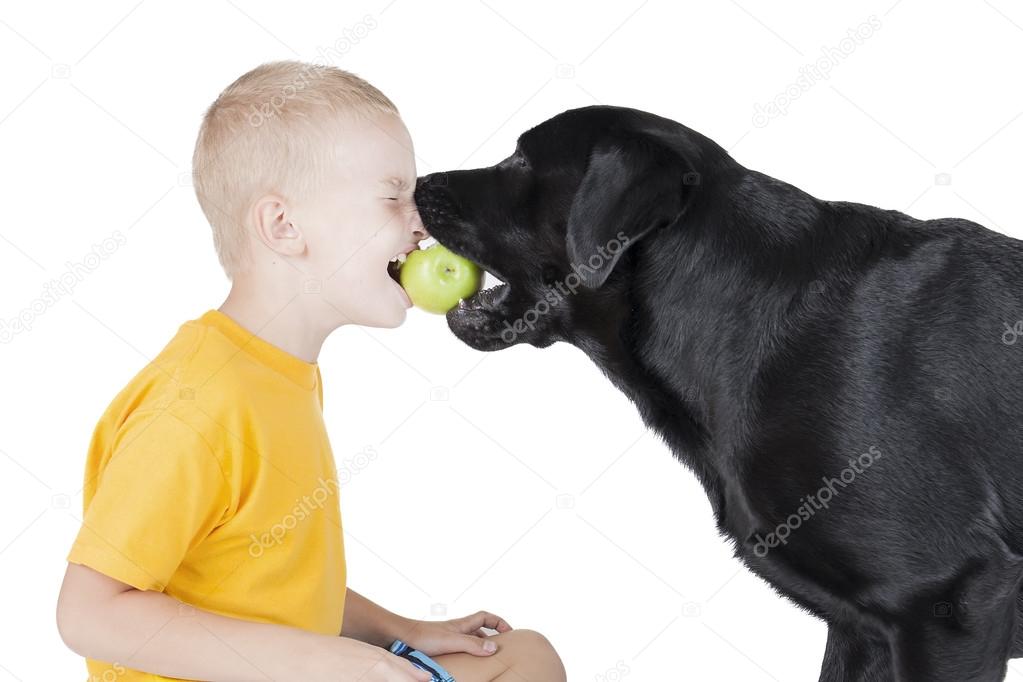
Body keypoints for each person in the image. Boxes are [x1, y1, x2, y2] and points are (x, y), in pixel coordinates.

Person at [56, 60, 567, 682]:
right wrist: (324, 662)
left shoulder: (282, 376)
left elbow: (269, 579)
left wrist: (398, 632)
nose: (422, 222)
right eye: (392, 197)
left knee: (526, 657)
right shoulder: (197, 404)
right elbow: (88, 614)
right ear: (284, 226)